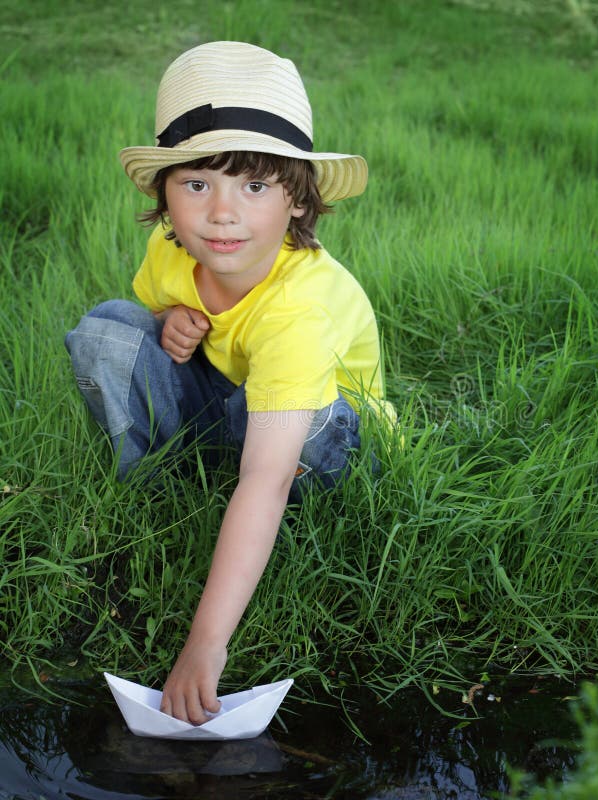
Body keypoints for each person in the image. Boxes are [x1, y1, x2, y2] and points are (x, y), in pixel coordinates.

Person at [65, 41, 394, 725]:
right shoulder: (172, 252)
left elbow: (267, 478)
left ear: (299, 201)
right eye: (197, 184)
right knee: (110, 329)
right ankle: (163, 491)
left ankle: (262, 528)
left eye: (254, 186)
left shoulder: (299, 309)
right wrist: (173, 317)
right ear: (165, 195)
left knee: (303, 434)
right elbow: (153, 314)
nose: (221, 214)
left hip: (322, 445)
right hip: (236, 400)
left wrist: (204, 645)